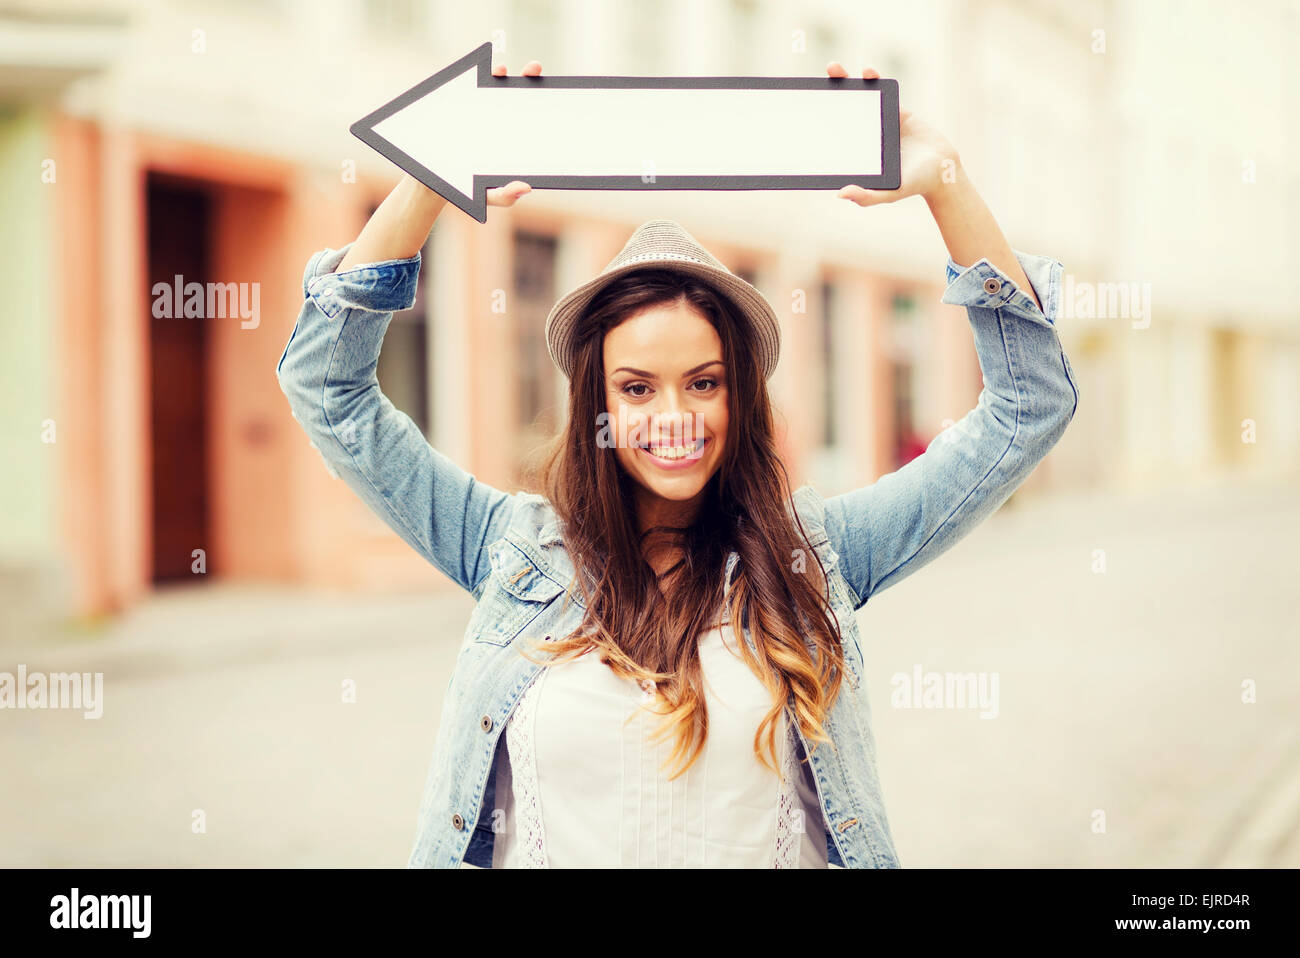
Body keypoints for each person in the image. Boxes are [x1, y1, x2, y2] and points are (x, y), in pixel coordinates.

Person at [276, 59, 1080, 868]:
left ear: (742, 397)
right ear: (599, 401)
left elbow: (1027, 409)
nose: (672, 418)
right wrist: (431, 177)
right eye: (636, 387)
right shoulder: (505, 550)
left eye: (704, 383)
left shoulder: (818, 556)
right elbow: (326, 387)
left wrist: (945, 184)